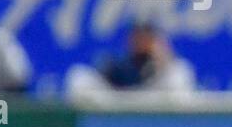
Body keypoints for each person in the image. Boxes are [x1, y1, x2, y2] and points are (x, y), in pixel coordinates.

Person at [65, 21, 197, 97]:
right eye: (137, 37)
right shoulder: (121, 62)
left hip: (154, 106)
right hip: (120, 104)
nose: (141, 42)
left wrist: (163, 60)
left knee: (181, 72)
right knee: (78, 74)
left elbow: (174, 83)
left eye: (146, 38)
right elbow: (108, 78)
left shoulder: (163, 62)